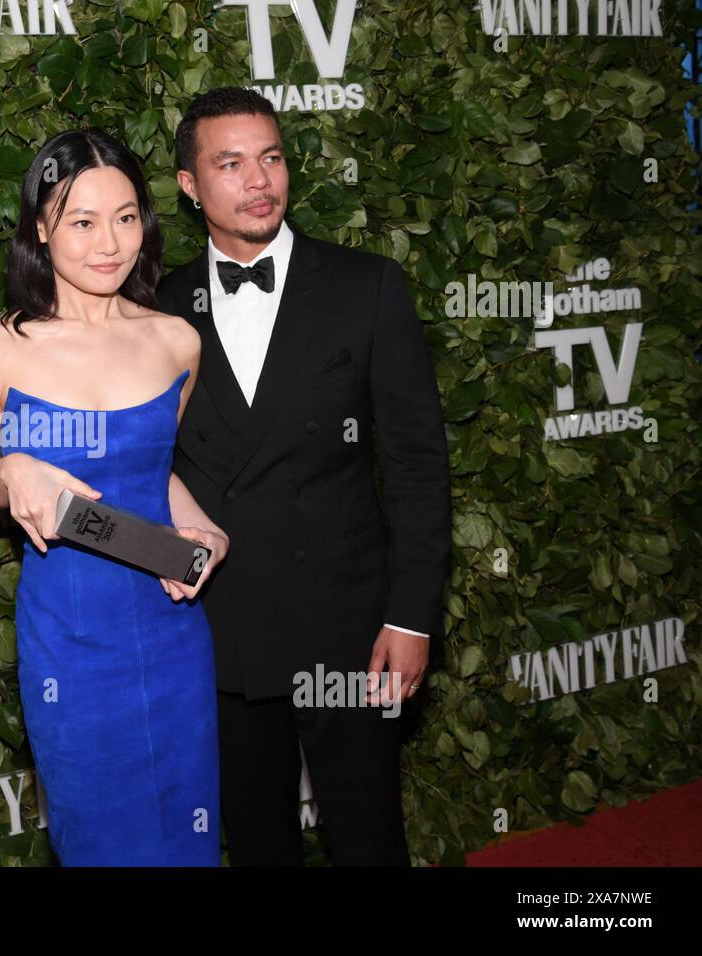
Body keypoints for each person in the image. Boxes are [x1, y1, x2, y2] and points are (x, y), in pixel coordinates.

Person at [156, 87, 452, 866]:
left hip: (349, 629)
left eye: (272, 158)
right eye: (230, 164)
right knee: (256, 844)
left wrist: (412, 617)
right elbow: (143, 470)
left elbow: (416, 464)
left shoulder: (366, 285)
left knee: (368, 839)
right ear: (190, 185)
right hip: (218, 631)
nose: (259, 180)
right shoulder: (156, 307)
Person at [0, 129, 229, 866]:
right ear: (41, 229)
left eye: (126, 217)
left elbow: (152, 469)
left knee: (188, 835)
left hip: (172, 630)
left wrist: (206, 531)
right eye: (82, 221)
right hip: (71, 642)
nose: (110, 244)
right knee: (98, 837)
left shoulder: (176, 342)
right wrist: (13, 468)